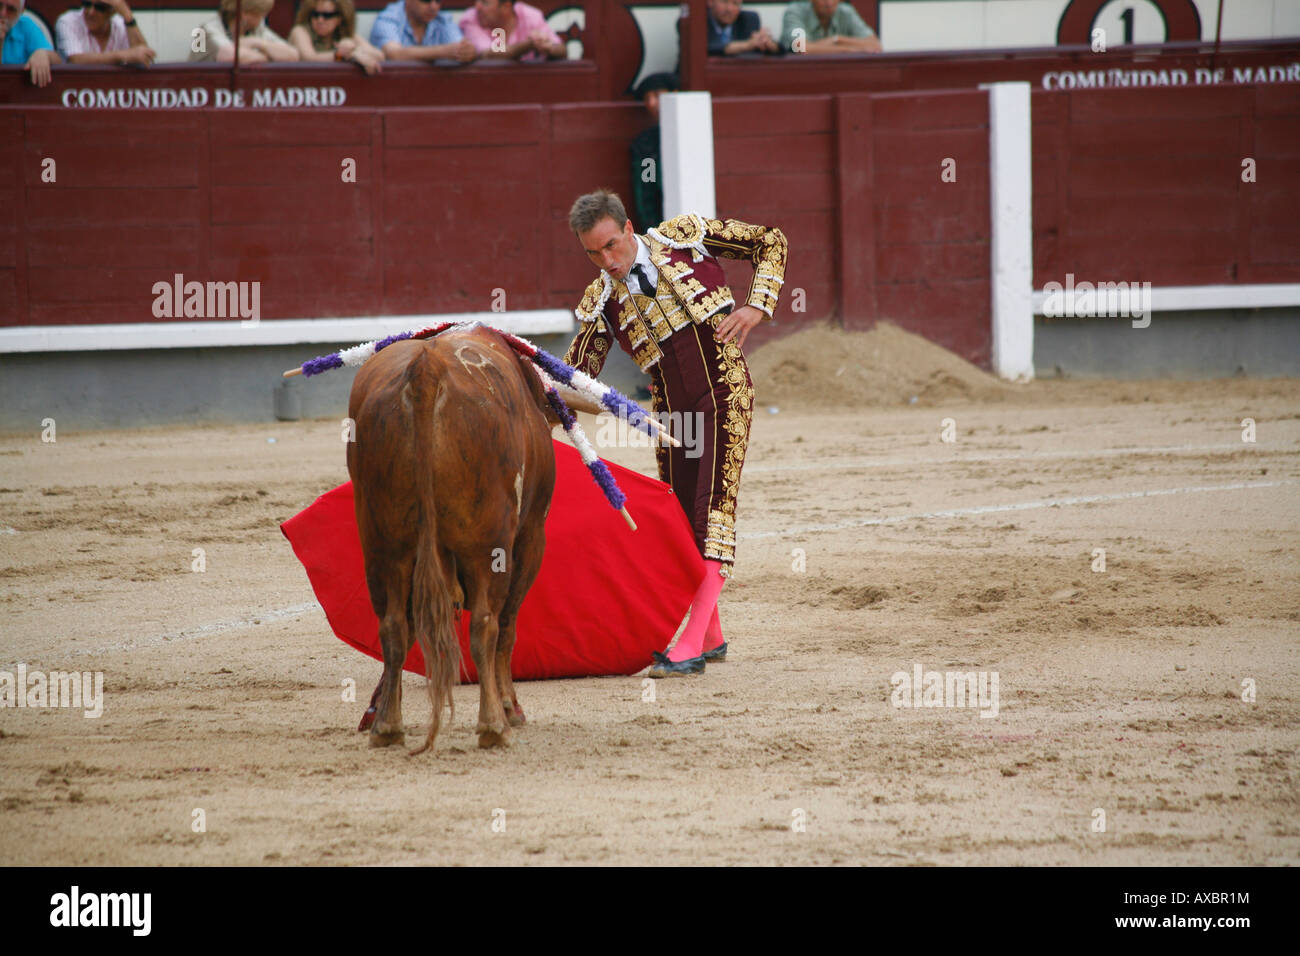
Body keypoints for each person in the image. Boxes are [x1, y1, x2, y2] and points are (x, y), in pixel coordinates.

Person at [563, 190, 788, 677]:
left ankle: (689, 644)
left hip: (724, 389)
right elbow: (574, 376)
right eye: (593, 254)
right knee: (684, 521)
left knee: (712, 510)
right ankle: (710, 636)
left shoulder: (684, 238)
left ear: (627, 229)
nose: (607, 261)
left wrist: (757, 308)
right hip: (672, 414)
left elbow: (769, 241)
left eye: (611, 246)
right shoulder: (600, 300)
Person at [628, 72, 676, 234]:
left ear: (674, 94)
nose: (652, 103)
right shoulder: (646, 145)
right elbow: (646, 192)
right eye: (647, 99)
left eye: (656, 95)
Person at [289, 0, 382, 74]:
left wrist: (355, 50)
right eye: (315, 14)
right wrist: (343, 55)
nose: (320, 20)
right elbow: (309, 59)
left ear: (340, 18)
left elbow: (379, 56)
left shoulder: (346, 35)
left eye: (327, 15)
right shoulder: (300, 31)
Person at [189, 0, 299, 63]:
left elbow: (293, 55)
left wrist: (256, 42)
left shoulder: (256, 30)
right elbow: (230, 56)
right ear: (245, 14)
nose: (262, 19)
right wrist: (267, 57)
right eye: (261, 15)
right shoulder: (206, 30)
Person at [370, 0, 475, 63]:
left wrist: (467, 51)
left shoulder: (442, 19)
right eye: (426, 0)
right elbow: (395, 54)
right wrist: (443, 52)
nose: (433, 7)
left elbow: (461, 47)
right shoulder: (388, 18)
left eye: (438, 0)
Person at [458, 0, 564, 62]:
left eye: (485, 2)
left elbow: (561, 49)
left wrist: (548, 47)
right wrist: (529, 44)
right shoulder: (471, 18)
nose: (477, 6)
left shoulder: (530, 15)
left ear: (506, 6)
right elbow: (489, 55)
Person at [55, 0, 154, 65]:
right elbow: (75, 60)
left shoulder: (120, 24)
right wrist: (123, 56)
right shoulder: (67, 21)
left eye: (99, 7)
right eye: (87, 4)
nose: (90, 12)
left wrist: (127, 15)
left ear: (112, 12)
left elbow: (144, 59)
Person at [781, 0, 881, 54]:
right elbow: (800, 48)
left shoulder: (846, 12)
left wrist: (837, 40)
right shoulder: (795, 12)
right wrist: (846, 50)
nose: (829, 3)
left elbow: (875, 45)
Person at [1, 0, 60, 87]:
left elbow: (57, 60)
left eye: (11, 9)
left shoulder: (26, 25)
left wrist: (43, 54)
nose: (2, 13)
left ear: (21, 12)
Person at [707, 0, 777, 56]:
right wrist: (747, 45)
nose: (729, 9)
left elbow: (780, 50)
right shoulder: (699, 20)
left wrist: (767, 43)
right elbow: (707, 48)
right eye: (724, 2)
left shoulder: (749, 19)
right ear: (710, 1)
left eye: (735, 3)